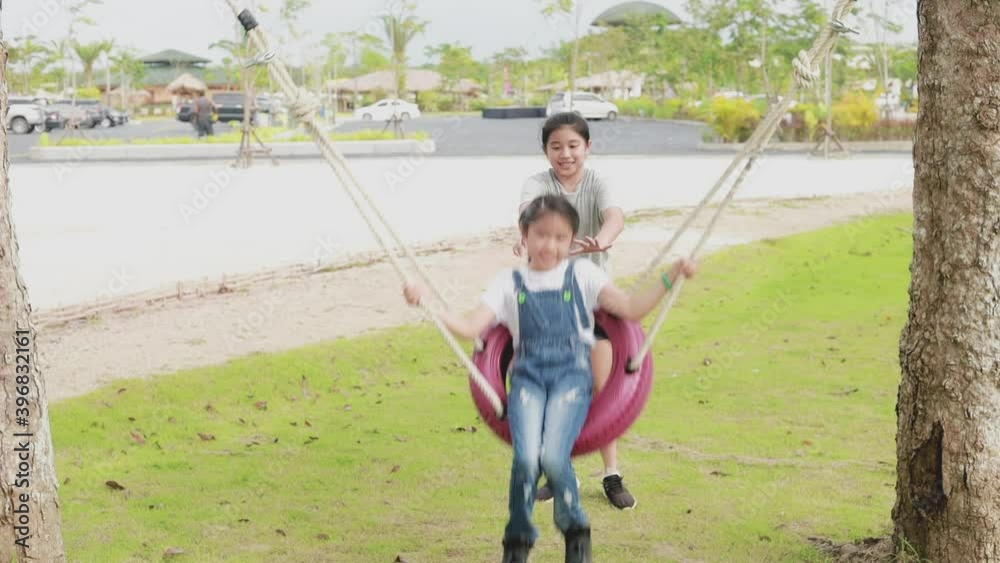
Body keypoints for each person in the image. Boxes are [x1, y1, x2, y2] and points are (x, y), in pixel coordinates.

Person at [404, 195, 698, 563]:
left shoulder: (584, 275)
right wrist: (426, 303)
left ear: (572, 239)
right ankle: (517, 540)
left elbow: (630, 309)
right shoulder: (508, 283)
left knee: (555, 458)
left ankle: (575, 528)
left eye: (561, 237)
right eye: (541, 235)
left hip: (571, 381)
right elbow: (469, 327)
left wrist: (671, 276)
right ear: (524, 235)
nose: (550, 245)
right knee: (526, 460)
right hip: (527, 381)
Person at [514, 112, 636, 510]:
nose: (565, 154)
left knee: (599, 388)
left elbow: (614, 216)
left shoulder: (599, 181)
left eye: (573, 145)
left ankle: (612, 474)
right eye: (556, 146)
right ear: (546, 150)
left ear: (587, 147)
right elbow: (529, 213)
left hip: (594, 299)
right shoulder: (537, 183)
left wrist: (601, 240)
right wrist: (525, 237)